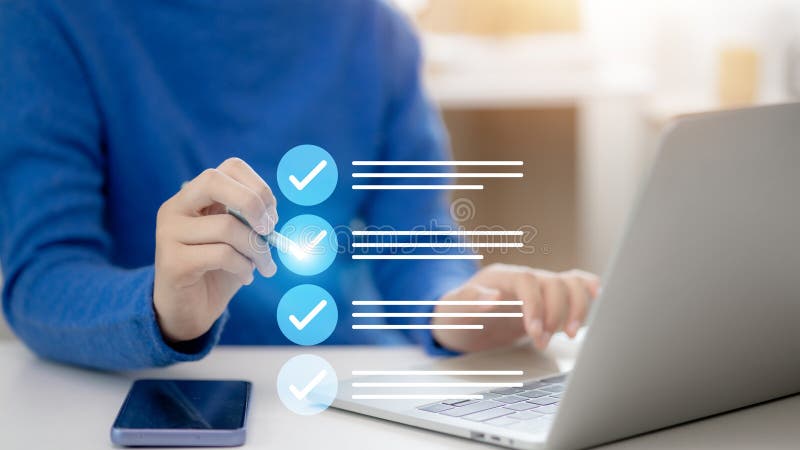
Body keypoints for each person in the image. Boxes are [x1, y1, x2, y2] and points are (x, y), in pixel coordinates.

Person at [0, 0, 598, 371]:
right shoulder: (45, 19)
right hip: (160, 398)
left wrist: (456, 308)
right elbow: (42, 275)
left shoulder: (375, 29)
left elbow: (414, 239)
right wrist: (162, 307)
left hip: (350, 391)